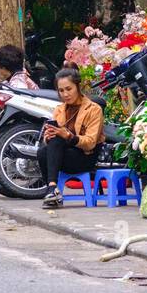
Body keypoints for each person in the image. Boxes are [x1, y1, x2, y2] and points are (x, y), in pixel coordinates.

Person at [39, 67, 104, 209]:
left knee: (56, 140)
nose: (65, 94)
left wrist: (68, 136)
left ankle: (51, 190)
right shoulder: (59, 109)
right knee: (44, 150)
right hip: (62, 155)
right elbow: (51, 142)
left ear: (78, 87)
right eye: (61, 91)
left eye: (69, 89)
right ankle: (52, 189)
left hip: (85, 157)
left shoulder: (94, 109)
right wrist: (47, 137)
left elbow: (90, 143)